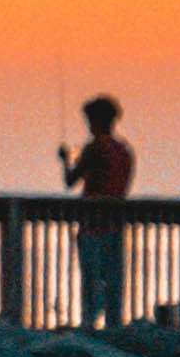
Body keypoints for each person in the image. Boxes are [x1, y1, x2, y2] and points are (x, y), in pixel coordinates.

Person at [61, 94, 133, 331]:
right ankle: (114, 325)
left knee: (91, 278)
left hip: (92, 223)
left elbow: (71, 180)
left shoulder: (94, 148)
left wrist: (65, 160)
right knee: (113, 280)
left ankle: (89, 325)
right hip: (116, 223)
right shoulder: (124, 151)